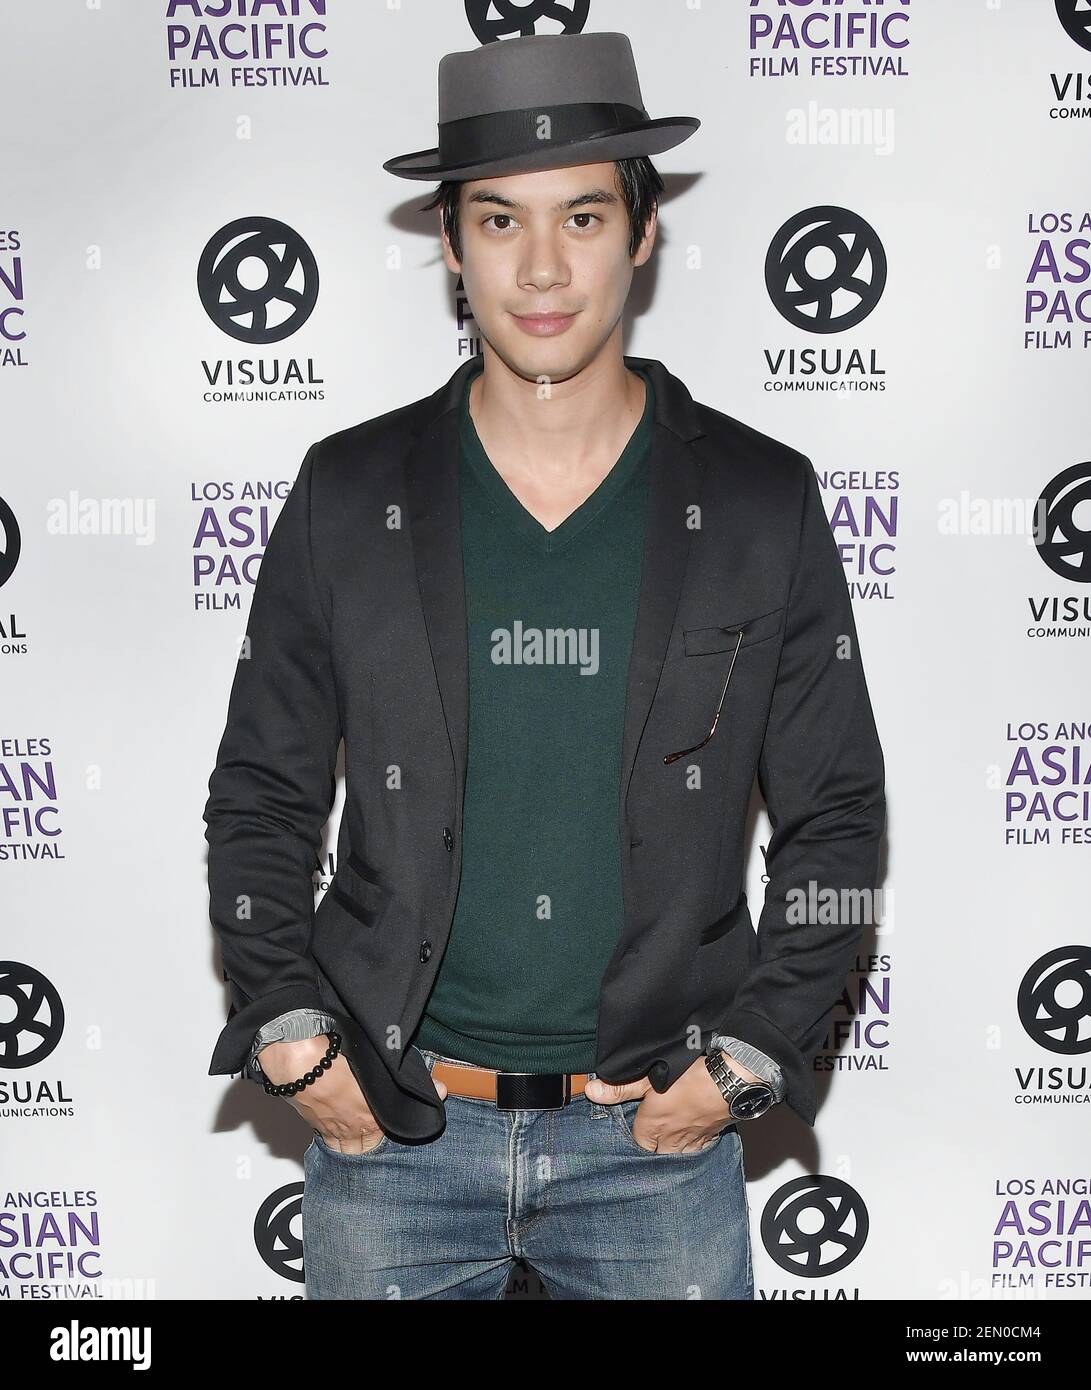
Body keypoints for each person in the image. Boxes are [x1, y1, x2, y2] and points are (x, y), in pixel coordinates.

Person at [203, 31, 886, 1301]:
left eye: (580, 213)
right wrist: (292, 1035)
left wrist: (748, 1059)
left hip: (653, 1147)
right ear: (451, 247)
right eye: (496, 219)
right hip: (393, 1136)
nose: (540, 267)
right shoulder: (349, 493)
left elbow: (835, 821)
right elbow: (260, 793)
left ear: (640, 233)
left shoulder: (755, 500)